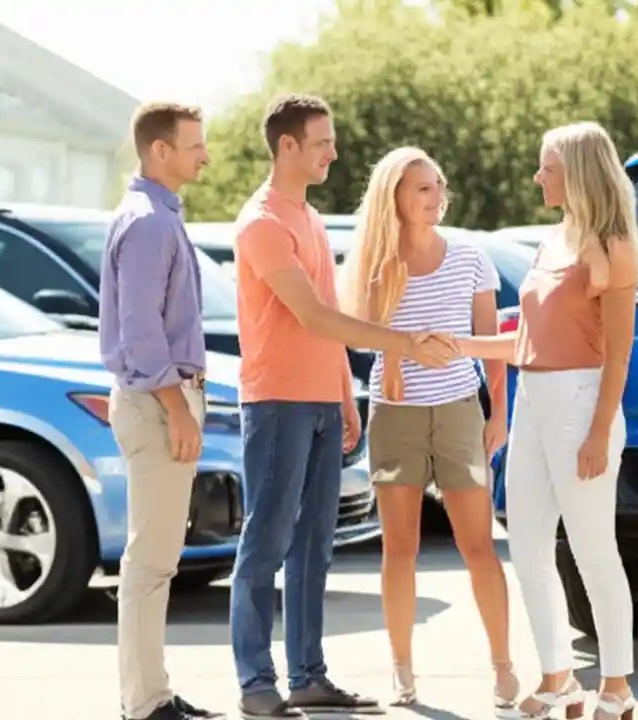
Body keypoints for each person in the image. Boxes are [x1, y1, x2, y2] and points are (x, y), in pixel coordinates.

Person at [227, 93, 455, 719]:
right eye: (322, 141)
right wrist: (404, 343)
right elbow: (316, 315)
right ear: (288, 146)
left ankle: (307, 676)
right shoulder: (262, 224)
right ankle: (255, 683)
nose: (333, 151)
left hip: (322, 405)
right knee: (266, 544)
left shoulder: (311, 218)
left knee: (314, 546)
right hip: (275, 404)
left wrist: (342, 396)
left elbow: (327, 320)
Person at [450, 121, 638, 720]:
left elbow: (619, 352)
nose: (538, 176)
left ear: (579, 172)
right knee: (529, 547)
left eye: (547, 167)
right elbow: (525, 344)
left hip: (583, 403)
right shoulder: (552, 240)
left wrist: (597, 430)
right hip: (534, 402)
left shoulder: (615, 246)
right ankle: (559, 678)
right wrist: (457, 345)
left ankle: (616, 686)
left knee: (593, 551)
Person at [337, 146, 518, 715]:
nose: (436, 197)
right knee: (401, 549)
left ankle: (504, 666)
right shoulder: (375, 261)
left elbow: (490, 344)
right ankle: (402, 666)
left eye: (438, 185)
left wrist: (498, 413)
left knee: (479, 546)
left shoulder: (470, 257)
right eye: (422, 188)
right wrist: (388, 361)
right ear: (395, 195)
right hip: (396, 416)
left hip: (461, 411)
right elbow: (364, 336)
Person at [99, 101, 223, 720]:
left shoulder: (156, 216)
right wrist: (178, 409)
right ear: (160, 151)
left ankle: (152, 693)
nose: (205, 154)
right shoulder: (149, 222)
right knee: (150, 564)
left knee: (157, 561)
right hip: (157, 403)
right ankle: (145, 704)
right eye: (195, 144)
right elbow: (142, 331)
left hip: (160, 400)